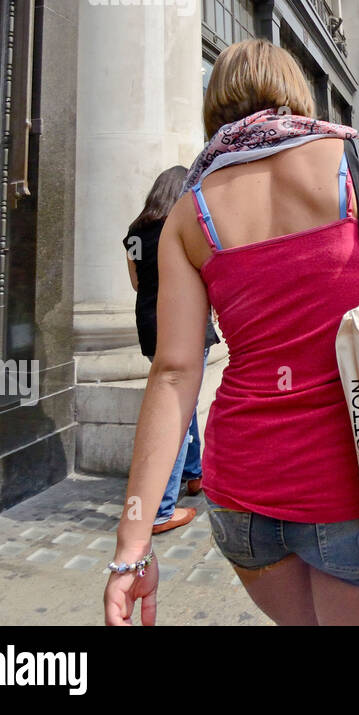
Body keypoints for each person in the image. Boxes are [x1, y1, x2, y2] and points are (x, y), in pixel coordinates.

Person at [104, 39, 359, 626]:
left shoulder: (189, 211)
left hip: (242, 494)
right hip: (356, 482)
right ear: (296, 92)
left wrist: (132, 545)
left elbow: (174, 373)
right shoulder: (356, 158)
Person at [123, 166, 220, 534]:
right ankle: (162, 507)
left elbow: (136, 283)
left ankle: (194, 474)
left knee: (182, 402)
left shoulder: (135, 232)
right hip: (185, 323)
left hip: (149, 323)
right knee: (177, 409)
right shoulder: (184, 224)